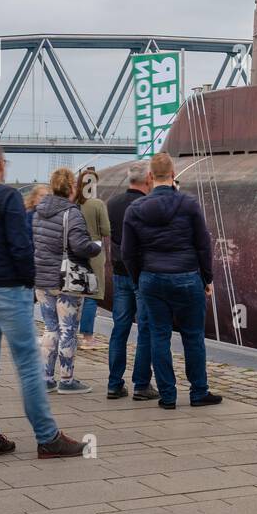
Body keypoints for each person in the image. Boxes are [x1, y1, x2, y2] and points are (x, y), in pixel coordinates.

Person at [0, 142, 85, 459]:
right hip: (8, 289)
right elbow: (21, 246)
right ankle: (48, 438)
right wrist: (26, 282)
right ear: (0, 165)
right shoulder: (7, 197)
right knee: (28, 365)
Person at [121, 152, 222, 409]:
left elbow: (127, 252)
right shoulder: (189, 204)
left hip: (152, 279)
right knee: (193, 336)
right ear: (174, 174)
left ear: (151, 176)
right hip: (188, 277)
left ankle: (168, 396)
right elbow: (203, 243)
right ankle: (199, 392)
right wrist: (206, 277)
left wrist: (138, 279)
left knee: (159, 336)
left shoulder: (135, 210)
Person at [32, 167, 101, 394]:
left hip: (42, 279)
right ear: (72, 187)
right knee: (68, 329)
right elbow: (81, 246)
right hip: (66, 280)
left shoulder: (38, 212)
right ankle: (67, 380)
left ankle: (46, 378)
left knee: (50, 328)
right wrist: (96, 247)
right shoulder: (72, 213)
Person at [105, 161, 153, 399]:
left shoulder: (112, 203)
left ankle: (114, 384)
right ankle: (142, 385)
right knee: (145, 329)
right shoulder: (147, 205)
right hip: (142, 274)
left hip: (119, 273)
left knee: (120, 329)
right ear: (148, 179)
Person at [73, 165, 109, 350]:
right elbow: (106, 230)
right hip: (93, 252)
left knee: (75, 293)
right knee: (92, 294)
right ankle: (87, 337)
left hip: (74, 252)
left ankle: (71, 334)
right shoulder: (97, 204)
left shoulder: (73, 203)